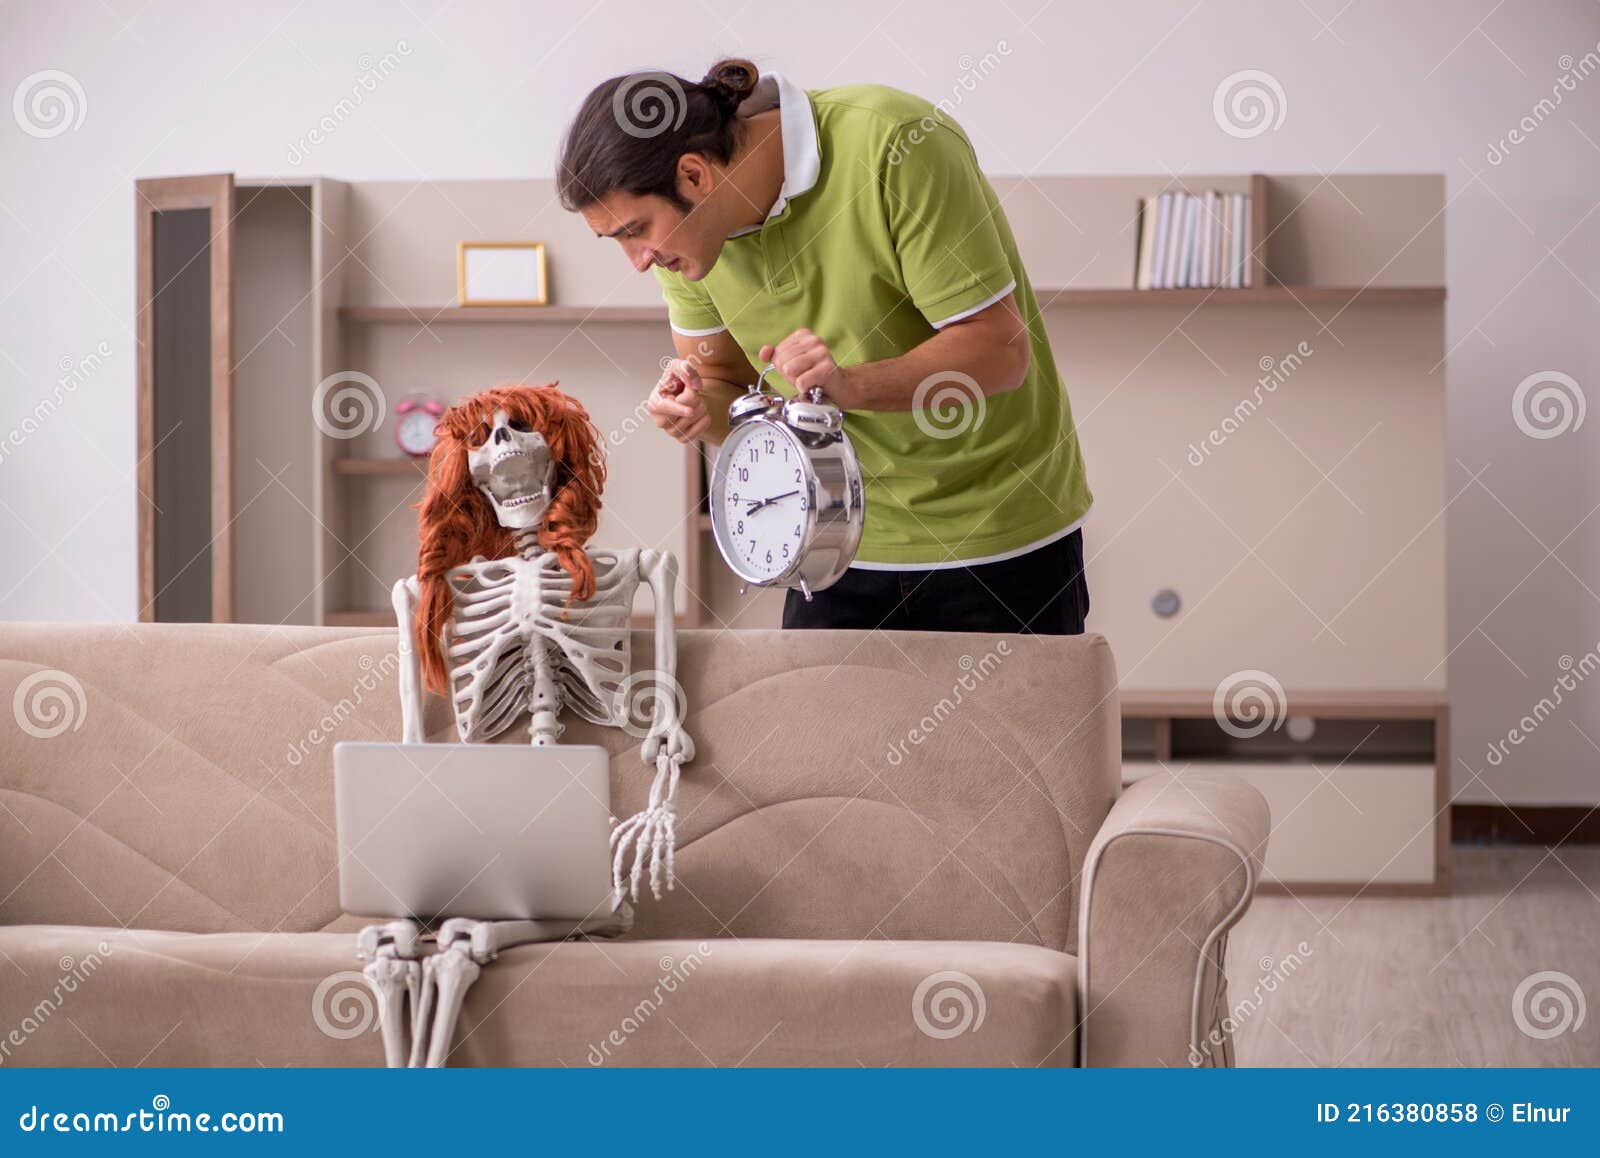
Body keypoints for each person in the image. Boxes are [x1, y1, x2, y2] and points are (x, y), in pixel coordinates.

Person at [557, 58, 1093, 634]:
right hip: (827, 547)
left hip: (995, 539)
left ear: (693, 176)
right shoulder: (688, 247)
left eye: (635, 231)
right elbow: (726, 389)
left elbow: (1000, 352)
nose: (637, 262)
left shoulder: (895, 142)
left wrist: (850, 385)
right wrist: (696, 410)